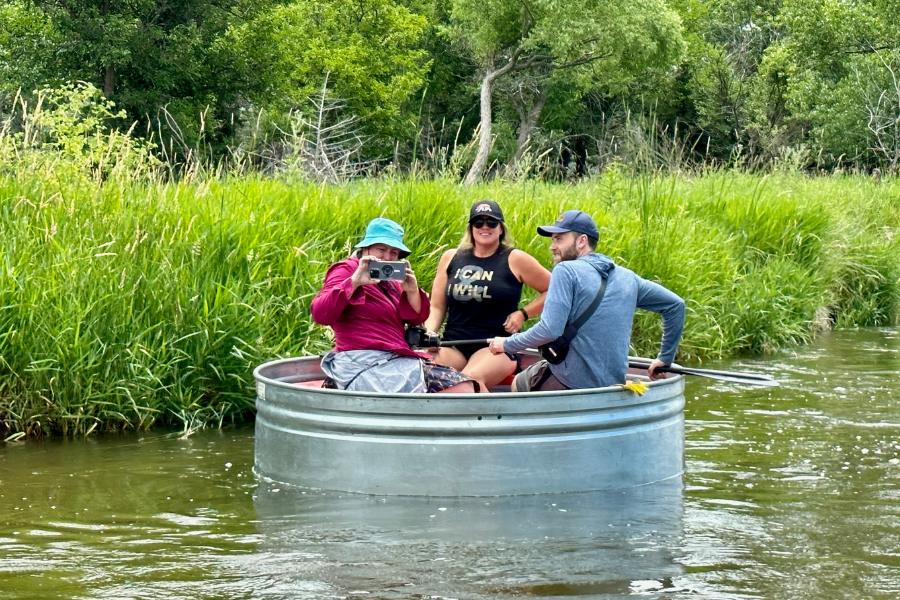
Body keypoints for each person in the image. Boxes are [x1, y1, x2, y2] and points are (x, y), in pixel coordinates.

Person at [488, 209, 685, 391]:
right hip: (611, 384)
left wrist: (507, 344)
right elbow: (675, 306)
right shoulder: (628, 277)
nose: (552, 247)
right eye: (553, 240)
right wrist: (665, 358)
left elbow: (549, 330)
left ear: (581, 241)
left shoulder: (565, 270)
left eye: (559, 239)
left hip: (570, 382)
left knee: (518, 383)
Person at [310, 217, 475, 394]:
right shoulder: (347, 269)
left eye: (394, 253)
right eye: (381, 249)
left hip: (396, 359)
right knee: (461, 389)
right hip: (362, 360)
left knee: (464, 386)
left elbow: (416, 319)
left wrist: (412, 291)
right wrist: (354, 282)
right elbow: (320, 314)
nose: (387, 257)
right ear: (366, 248)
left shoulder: (391, 279)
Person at [424, 200, 551, 391]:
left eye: (491, 222)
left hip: (497, 346)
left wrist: (523, 313)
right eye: (478, 222)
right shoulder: (451, 257)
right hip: (454, 343)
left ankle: (493, 410)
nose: (485, 227)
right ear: (471, 228)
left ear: (501, 228)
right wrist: (429, 334)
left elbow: (555, 290)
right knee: (421, 370)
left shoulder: (515, 258)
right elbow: (436, 306)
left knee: (470, 380)